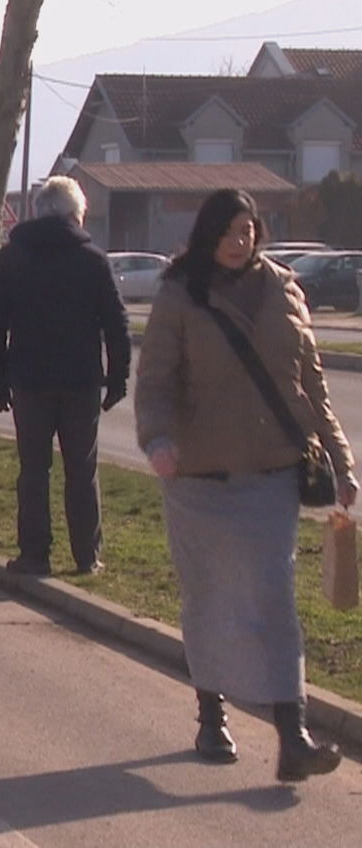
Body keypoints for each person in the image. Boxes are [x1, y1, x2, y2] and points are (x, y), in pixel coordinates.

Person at [136, 188, 357, 781]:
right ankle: (212, 716)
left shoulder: (285, 290)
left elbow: (312, 386)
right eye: (229, 231)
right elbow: (154, 382)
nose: (239, 242)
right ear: (207, 234)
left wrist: (342, 463)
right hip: (198, 475)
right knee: (210, 595)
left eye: (248, 230)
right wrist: (157, 439)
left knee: (274, 597)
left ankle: (293, 735)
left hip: (272, 471)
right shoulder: (180, 294)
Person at [0, 175, 132, 577]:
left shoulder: (11, 258)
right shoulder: (92, 259)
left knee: (33, 470)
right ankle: (87, 555)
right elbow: (116, 323)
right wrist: (118, 375)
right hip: (80, 378)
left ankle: (34, 554)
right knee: (82, 469)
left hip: (28, 377)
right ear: (76, 214)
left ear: (38, 212)